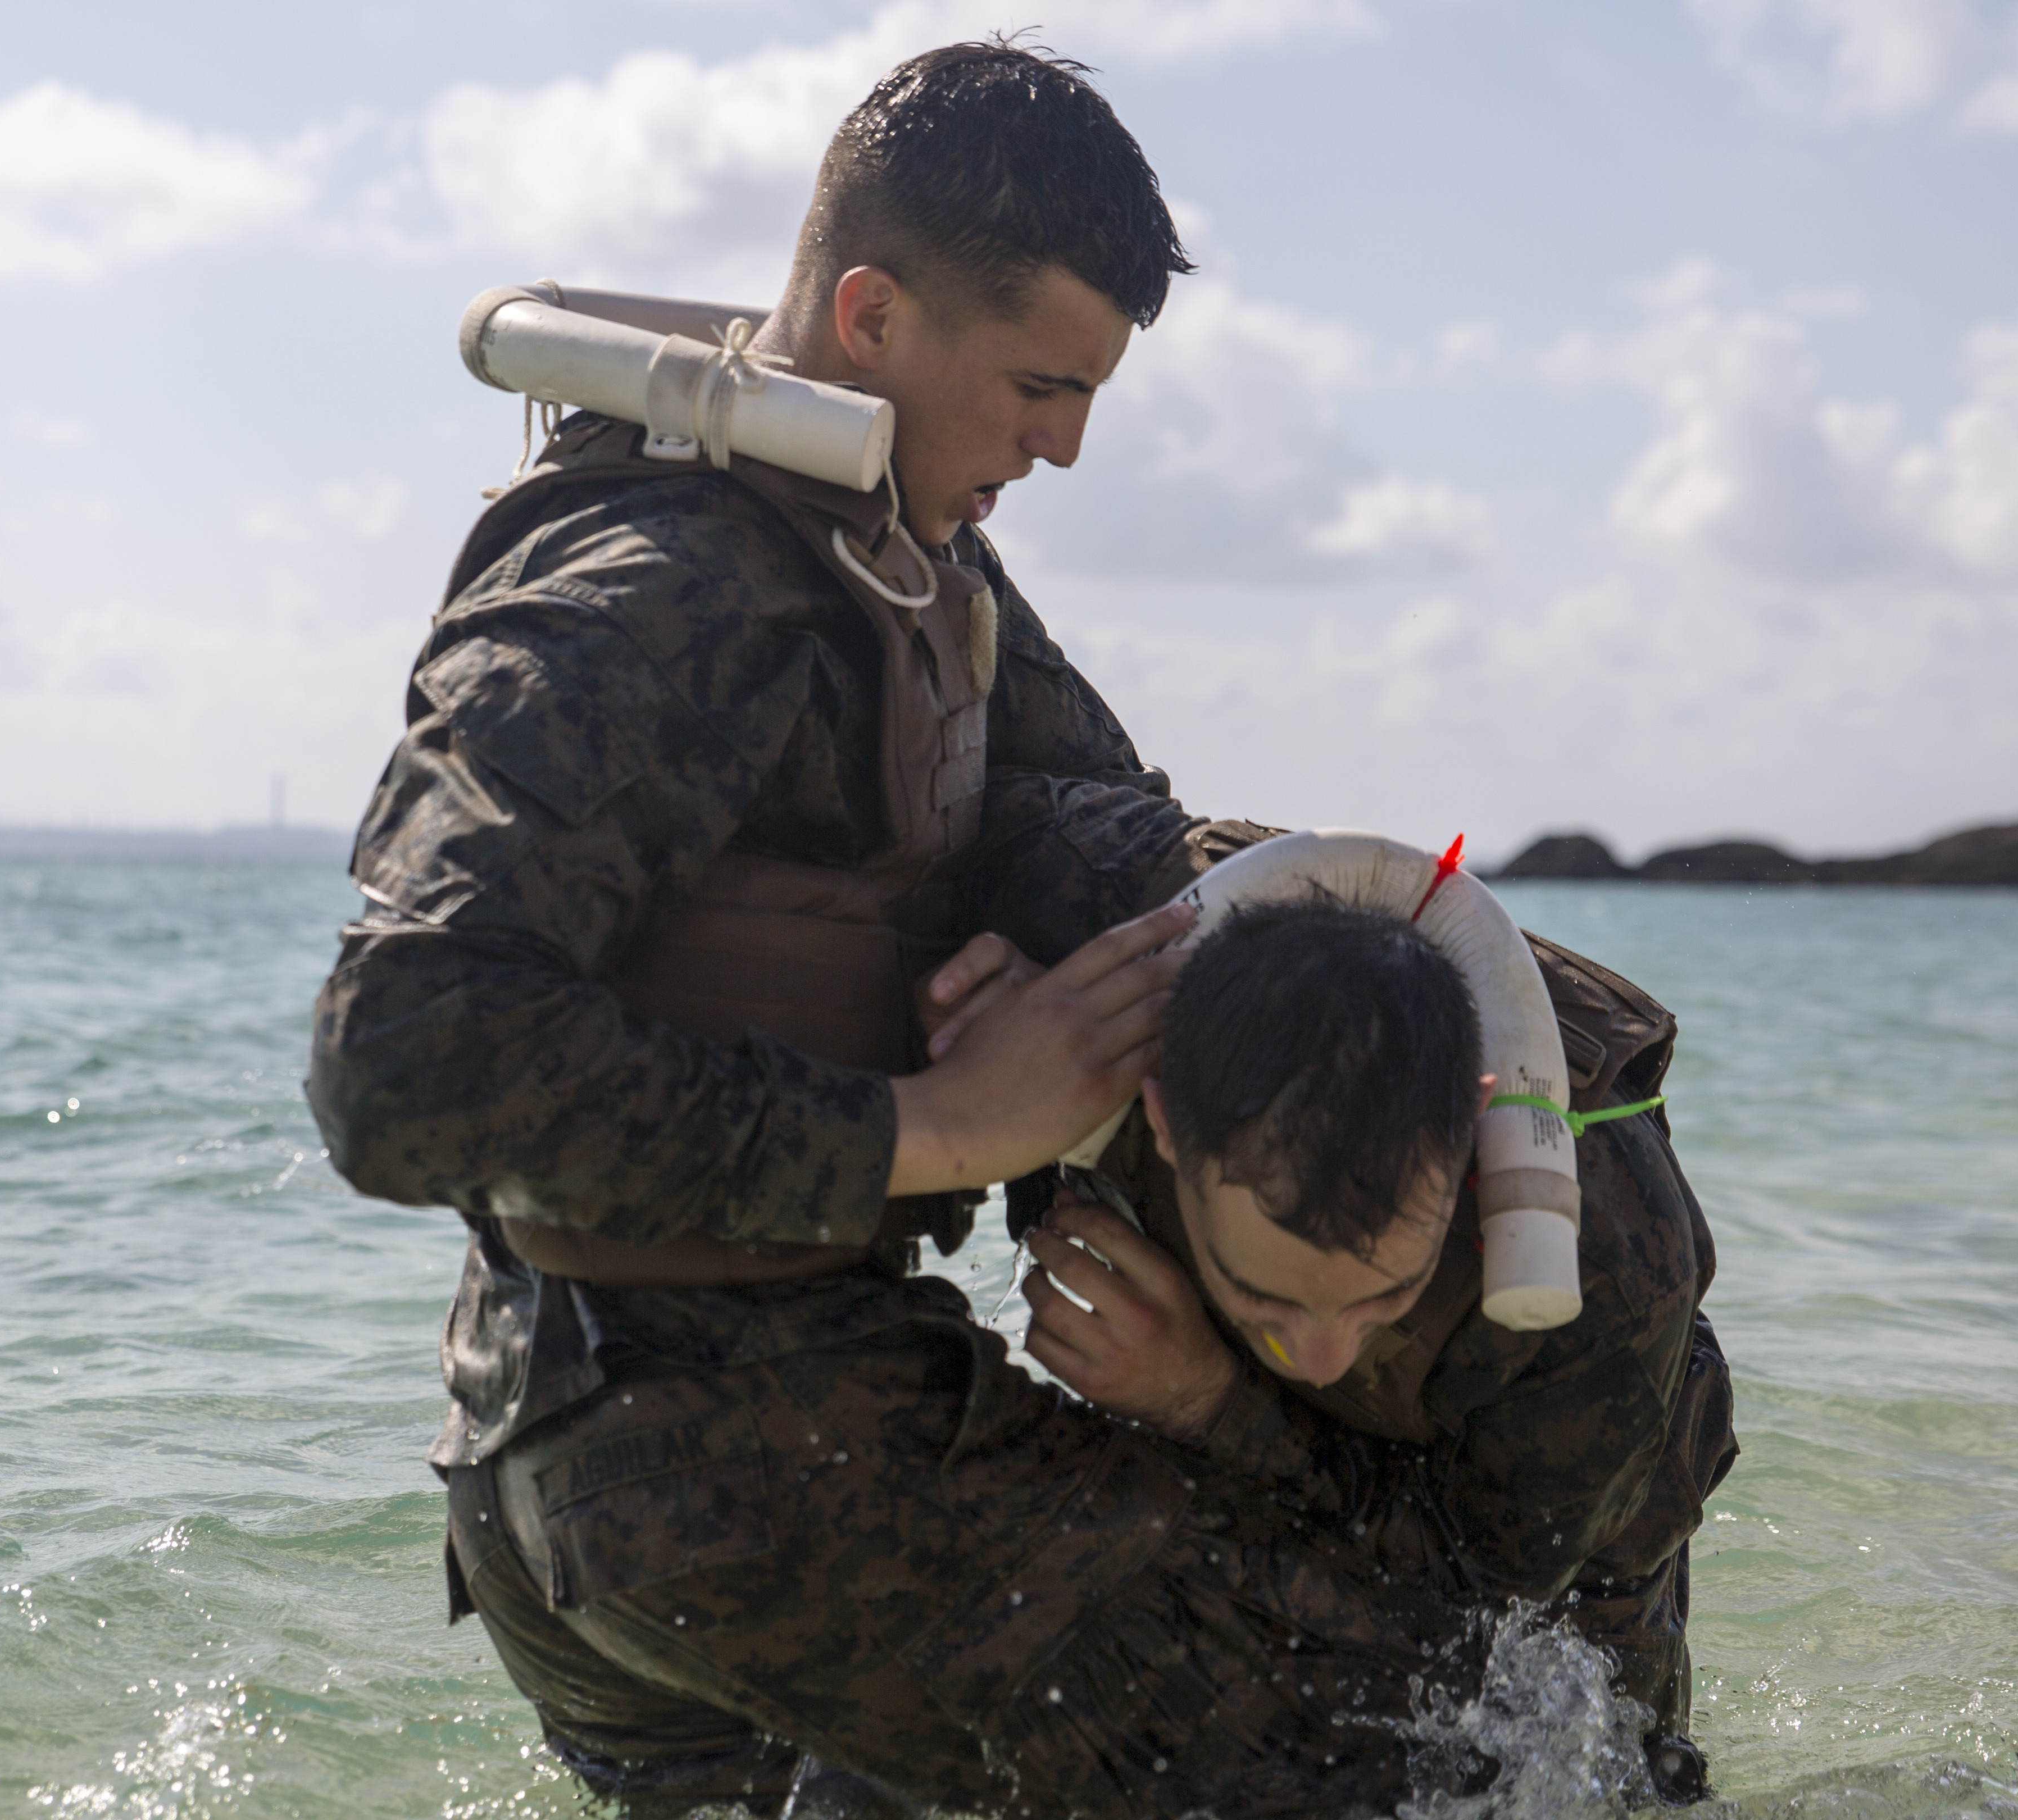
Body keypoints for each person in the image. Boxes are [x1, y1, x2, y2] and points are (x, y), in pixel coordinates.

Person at [310, 40, 1503, 1819]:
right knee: (1422, 1725)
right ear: (870, 316)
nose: (1067, 446)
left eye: (1090, 394)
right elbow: (398, 1055)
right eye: (1038, 383)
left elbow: (1116, 832)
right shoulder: (664, 590)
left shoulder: (896, 554)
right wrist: (933, 1129)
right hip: (719, 1462)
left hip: (617, 1481)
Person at [1008, 893, 1739, 1803]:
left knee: (1582, 1767)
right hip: (1202, 1342)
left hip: (1549, 1502)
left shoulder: (1614, 1286)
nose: (1317, 1358)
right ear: (1161, 1119)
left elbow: (1476, 1597)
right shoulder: (1068, 950)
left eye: (1378, 1294)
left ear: (1465, 1129)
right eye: (1266, 1295)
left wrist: (1210, 1397)